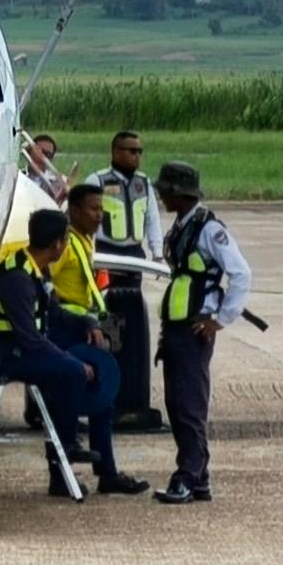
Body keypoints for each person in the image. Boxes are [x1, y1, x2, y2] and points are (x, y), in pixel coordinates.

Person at [0, 208, 150, 497]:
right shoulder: (16, 279)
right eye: (65, 240)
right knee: (71, 372)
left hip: (27, 347)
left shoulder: (36, 269)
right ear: (57, 244)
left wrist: (89, 324)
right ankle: (65, 448)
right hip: (7, 356)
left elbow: (56, 315)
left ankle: (107, 473)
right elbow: (29, 338)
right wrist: (70, 361)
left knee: (100, 376)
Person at [150, 161, 252, 505]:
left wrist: (219, 319)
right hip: (178, 328)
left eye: (166, 191)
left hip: (195, 329)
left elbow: (241, 274)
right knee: (176, 404)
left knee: (189, 405)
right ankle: (199, 478)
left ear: (181, 194)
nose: (162, 197)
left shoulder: (209, 230)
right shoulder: (184, 225)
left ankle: (187, 476)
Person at [95, 130, 166, 430]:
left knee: (134, 320)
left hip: (133, 257)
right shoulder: (97, 181)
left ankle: (132, 394)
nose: (135, 156)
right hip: (107, 256)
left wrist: (157, 253)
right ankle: (110, 394)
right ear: (114, 152)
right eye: (129, 150)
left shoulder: (143, 184)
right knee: (111, 325)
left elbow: (152, 219)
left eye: (139, 151)